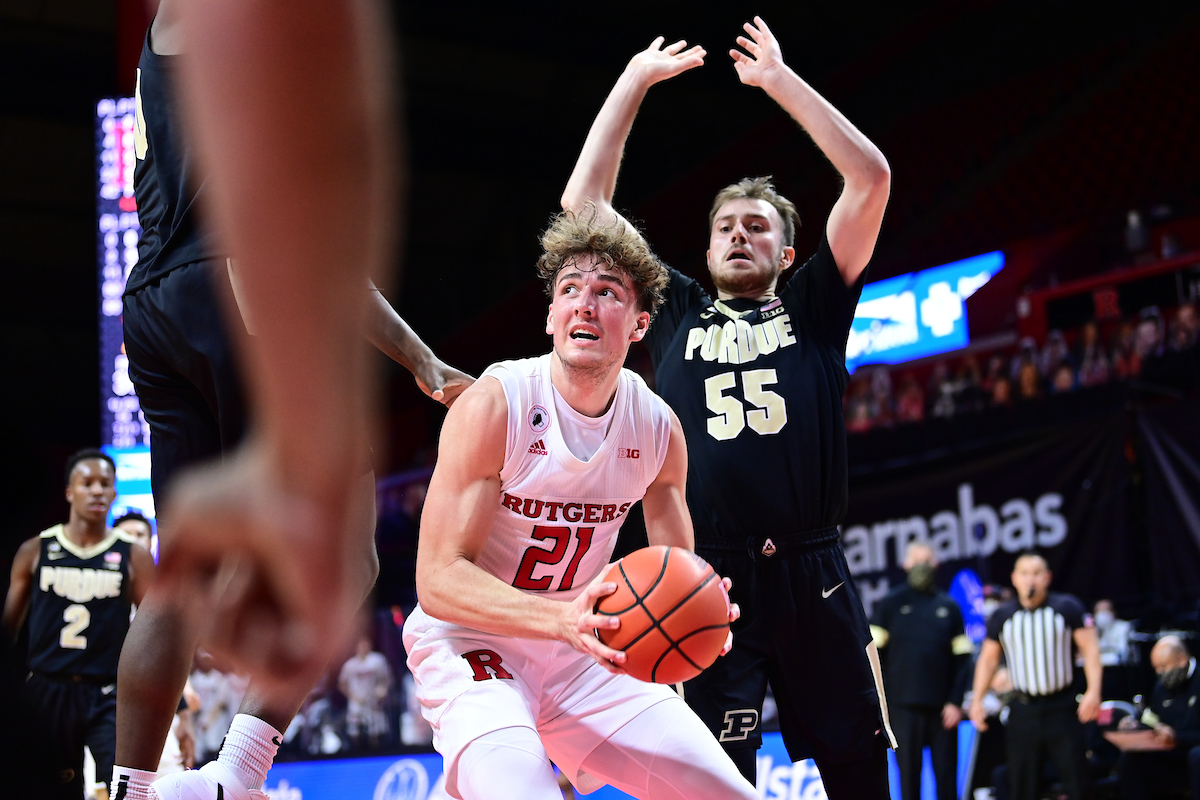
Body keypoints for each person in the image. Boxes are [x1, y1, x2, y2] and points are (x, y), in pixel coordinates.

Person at [111, 2, 472, 798]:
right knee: (349, 554)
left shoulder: (164, 30)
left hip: (155, 303)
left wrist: (422, 361)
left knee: (183, 579)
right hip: (238, 278)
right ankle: (236, 777)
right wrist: (409, 361)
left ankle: (131, 790)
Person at [559, 19, 895, 796]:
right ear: (705, 254)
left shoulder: (814, 304)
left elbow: (871, 177)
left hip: (813, 571)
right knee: (708, 781)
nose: (738, 235)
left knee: (859, 775)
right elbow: (583, 202)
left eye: (757, 227)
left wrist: (778, 80)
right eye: (724, 228)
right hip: (704, 577)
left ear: (785, 254)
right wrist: (633, 81)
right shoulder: (674, 308)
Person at [404, 211, 753, 800]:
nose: (584, 305)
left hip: (584, 650)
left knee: (729, 793)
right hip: (472, 639)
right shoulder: (497, 406)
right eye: (569, 290)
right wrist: (561, 620)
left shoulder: (658, 430)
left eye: (606, 293)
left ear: (640, 325)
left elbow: (676, 570)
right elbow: (437, 580)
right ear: (550, 317)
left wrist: (699, 618)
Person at [2, 449, 155, 800]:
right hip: (47, 688)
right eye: (88, 484)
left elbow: (154, 635)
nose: (98, 491)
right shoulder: (36, 549)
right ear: (70, 492)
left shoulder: (133, 555)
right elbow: (9, 629)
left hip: (108, 692)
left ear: (115, 493)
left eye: (105, 484)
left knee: (126, 789)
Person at [969, 551, 1102, 800]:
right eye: (1025, 574)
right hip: (1023, 710)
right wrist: (977, 700)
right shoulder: (1002, 615)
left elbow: (1091, 651)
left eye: (1037, 574)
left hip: (1061, 707)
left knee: (1077, 782)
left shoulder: (1066, 607)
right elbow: (988, 660)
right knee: (1022, 785)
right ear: (1015, 578)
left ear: (1047, 577)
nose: (1031, 580)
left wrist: (1094, 691)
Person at [870, 543, 974, 800]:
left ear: (936, 565)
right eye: (916, 561)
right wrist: (882, 707)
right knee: (908, 777)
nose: (922, 567)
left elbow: (963, 661)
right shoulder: (890, 605)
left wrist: (955, 702)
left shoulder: (949, 607)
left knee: (947, 777)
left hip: (943, 711)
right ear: (905, 565)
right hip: (902, 709)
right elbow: (873, 658)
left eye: (927, 561)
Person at [1115, 635, 1200, 800]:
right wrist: (1136, 726)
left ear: (1182, 660)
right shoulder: (1161, 687)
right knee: (1132, 757)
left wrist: (1178, 738)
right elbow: (1151, 719)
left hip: (1194, 750)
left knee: (1197, 756)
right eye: (1156, 668)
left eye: (1163, 666)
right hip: (1173, 755)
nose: (1159, 673)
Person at [337, 636, 392, 750]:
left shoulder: (377, 660)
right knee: (355, 732)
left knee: (375, 731)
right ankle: (356, 754)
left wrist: (382, 691)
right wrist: (352, 696)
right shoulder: (350, 664)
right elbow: (342, 683)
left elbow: (386, 678)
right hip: (357, 702)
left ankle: (376, 754)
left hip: (373, 701)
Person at [1093, 599, 1137, 667]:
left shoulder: (1123, 627)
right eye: (1099, 611)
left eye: (1105, 610)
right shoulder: (1092, 630)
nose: (1101, 615)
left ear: (1113, 612)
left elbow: (1123, 653)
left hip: (1117, 667)